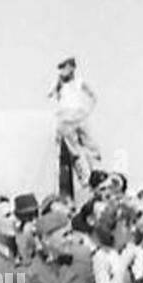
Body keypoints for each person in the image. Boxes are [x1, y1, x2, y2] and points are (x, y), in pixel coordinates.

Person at [49, 56, 102, 193]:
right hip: (66, 119)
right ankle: (85, 178)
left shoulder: (79, 82)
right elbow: (49, 95)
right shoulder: (59, 84)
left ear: (71, 68)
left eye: (64, 68)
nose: (62, 71)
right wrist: (58, 83)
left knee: (90, 145)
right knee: (75, 151)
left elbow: (93, 96)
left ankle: (97, 173)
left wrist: (87, 110)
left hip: (79, 116)